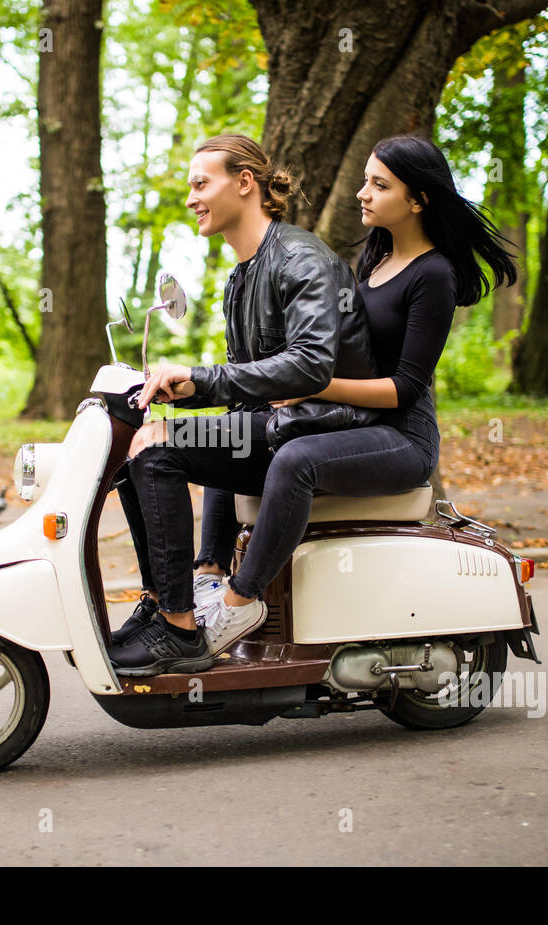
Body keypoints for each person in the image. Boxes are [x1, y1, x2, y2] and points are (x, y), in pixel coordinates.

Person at [194, 134, 519, 637]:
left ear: (417, 200)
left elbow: (404, 389)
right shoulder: (373, 260)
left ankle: (239, 602)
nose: (363, 193)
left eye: (379, 185)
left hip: (400, 439)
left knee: (296, 462)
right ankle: (207, 579)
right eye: (366, 181)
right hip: (348, 422)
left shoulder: (434, 275)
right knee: (232, 434)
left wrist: (315, 387)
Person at [107, 133, 377, 678]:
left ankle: (180, 630)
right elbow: (245, 387)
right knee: (140, 444)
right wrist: (187, 389)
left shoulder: (301, 258)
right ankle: (167, 603)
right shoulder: (241, 276)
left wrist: (204, 379)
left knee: (159, 452)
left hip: (319, 431)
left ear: (245, 183)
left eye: (201, 184)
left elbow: (310, 365)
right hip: (277, 425)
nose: (191, 198)